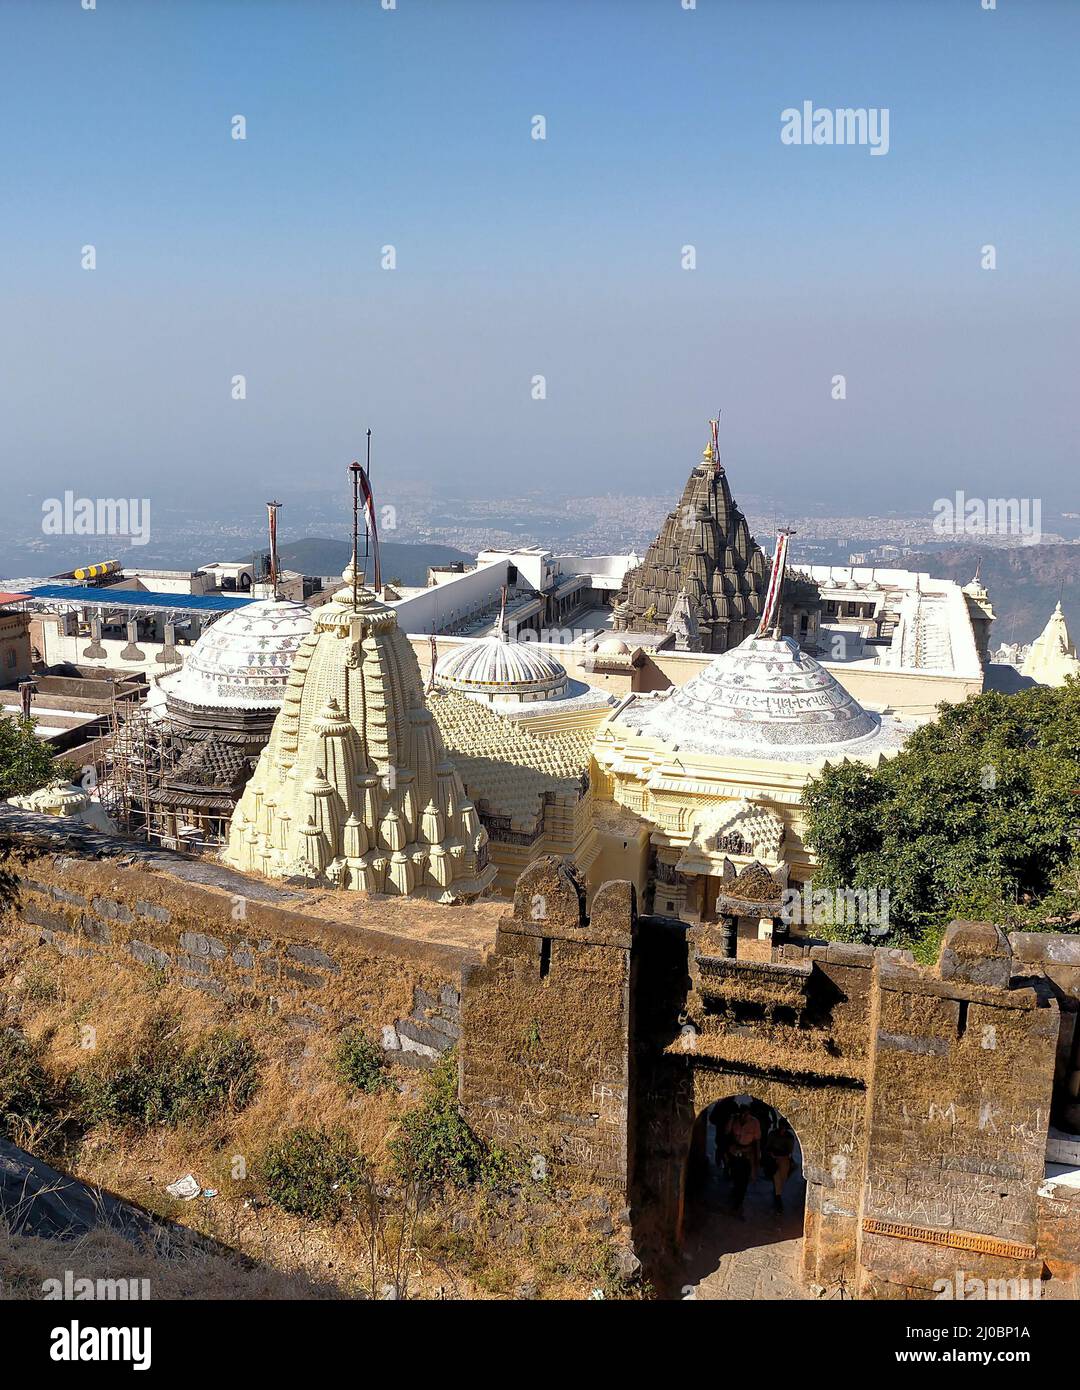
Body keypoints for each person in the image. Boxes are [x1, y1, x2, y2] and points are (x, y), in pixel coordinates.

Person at [723, 1103, 761, 1215]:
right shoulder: (735, 1121)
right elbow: (726, 1132)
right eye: (742, 1113)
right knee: (735, 1176)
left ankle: (738, 1202)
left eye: (746, 1113)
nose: (744, 1116)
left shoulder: (754, 1123)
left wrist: (757, 1158)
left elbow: (757, 1141)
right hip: (735, 1152)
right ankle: (735, 1197)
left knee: (744, 1180)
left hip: (747, 1153)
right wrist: (731, 1119)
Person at [765, 1118, 796, 1212]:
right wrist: (772, 1155)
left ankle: (777, 1194)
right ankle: (778, 1199)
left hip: (784, 1159)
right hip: (774, 1158)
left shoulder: (789, 1137)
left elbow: (789, 1150)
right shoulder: (773, 1134)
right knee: (777, 1177)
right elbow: (768, 1147)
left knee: (782, 1179)